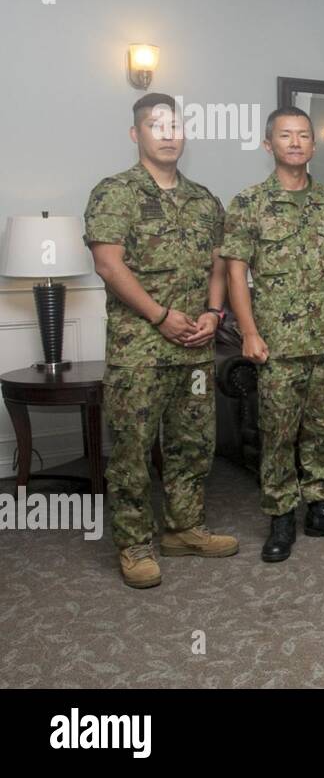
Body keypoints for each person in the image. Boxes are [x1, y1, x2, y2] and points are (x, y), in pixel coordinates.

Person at [84, 93, 238, 588]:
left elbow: (220, 264)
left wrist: (215, 312)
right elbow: (109, 264)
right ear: (137, 135)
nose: (169, 134)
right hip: (141, 350)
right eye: (157, 126)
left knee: (193, 444)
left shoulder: (204, 198)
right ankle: (133, 544)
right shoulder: (114, 193)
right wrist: (159, 316)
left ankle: (183, 529)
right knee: (131, 450)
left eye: (176, 126)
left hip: (195, 348)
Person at [223, 106, 324, 562]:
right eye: (285, 136)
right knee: (279, 432)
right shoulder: (249, 203)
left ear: (312, 144)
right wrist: (247, 331)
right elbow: (236, 272)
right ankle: (281, 515)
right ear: (269, 145)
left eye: (303, 135)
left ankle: (321, 509)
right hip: (277, 345)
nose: (295, 142)